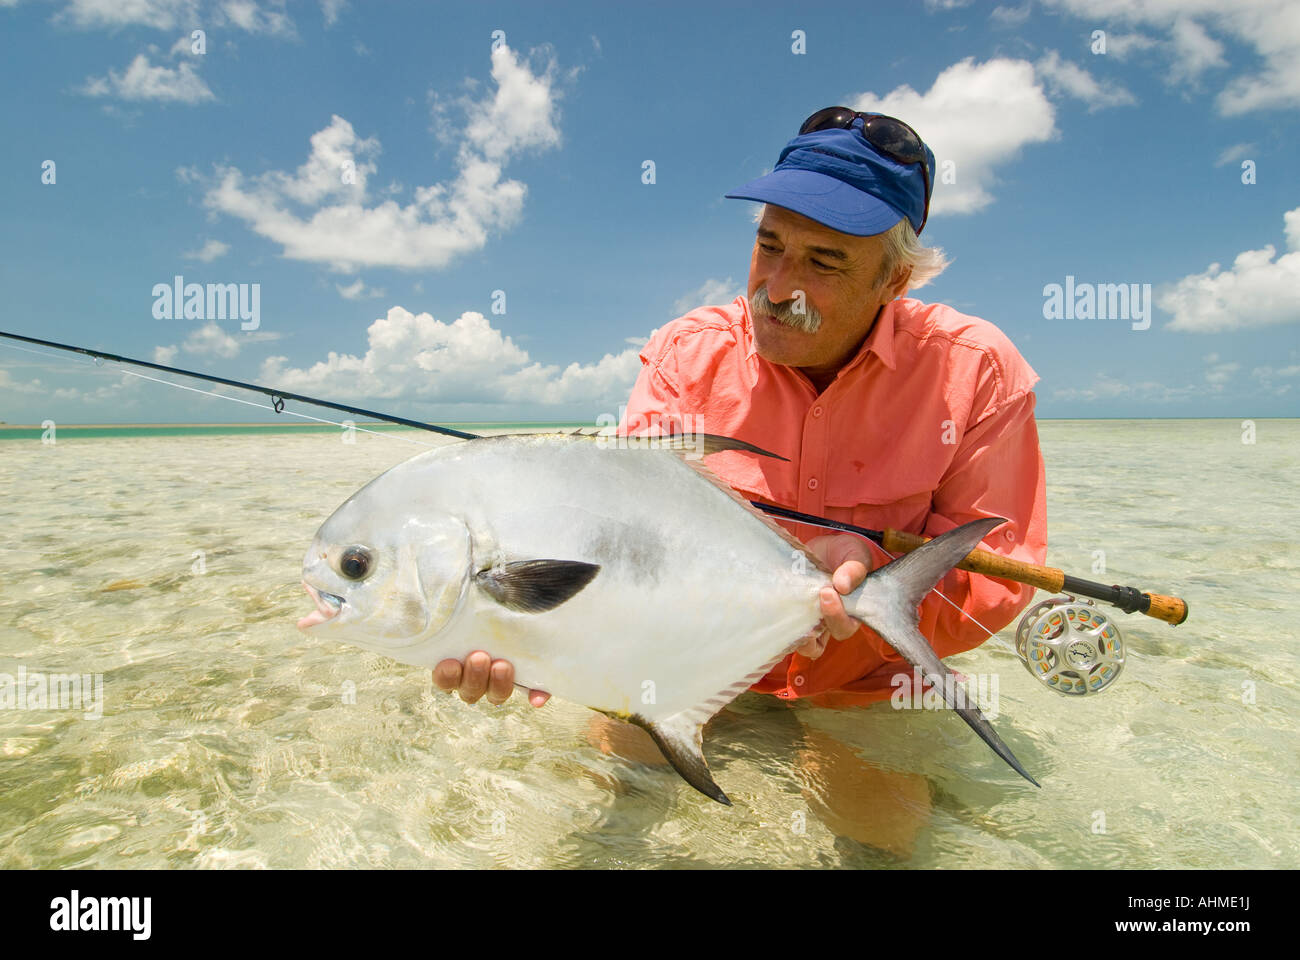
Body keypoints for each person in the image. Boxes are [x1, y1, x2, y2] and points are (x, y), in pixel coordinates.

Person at [434, 107, 1046, 719]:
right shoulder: (685, 355)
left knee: (882, 816)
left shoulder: (978, 372)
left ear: (897, 279)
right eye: (769, 245)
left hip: (869, 681)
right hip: (686, 663)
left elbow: (995, 585)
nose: (778, 289)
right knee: (610, 796)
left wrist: (864, 594)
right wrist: (524, 635)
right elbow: (619, 541)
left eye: (823, 262)